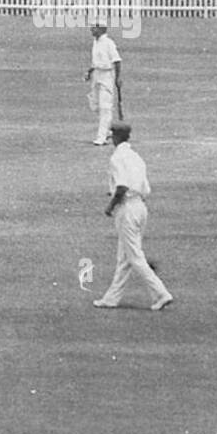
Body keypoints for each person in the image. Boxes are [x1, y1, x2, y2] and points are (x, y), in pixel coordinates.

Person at [93, 121, 173, 311]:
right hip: (140, 207)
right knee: (125, 258)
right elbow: (141, 186)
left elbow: (122, 186)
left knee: (134, 256)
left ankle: (161, 293)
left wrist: (110, 206)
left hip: (127, 208)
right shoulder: (136, 157)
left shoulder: (117, 158)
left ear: (117, 137)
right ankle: (111, 298)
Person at [86, 22, 122, 146]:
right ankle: (107, 129)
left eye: (94, 27)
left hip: (107, 75)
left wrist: (118, 78)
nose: (91, 29)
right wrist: (90, 72)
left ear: (101, 29)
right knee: (94, 104)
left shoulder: (108, 43)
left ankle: (102, 137)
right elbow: (96, 61)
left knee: (105, 107)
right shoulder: (95, 42)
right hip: (96, 74)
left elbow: (117, 61)